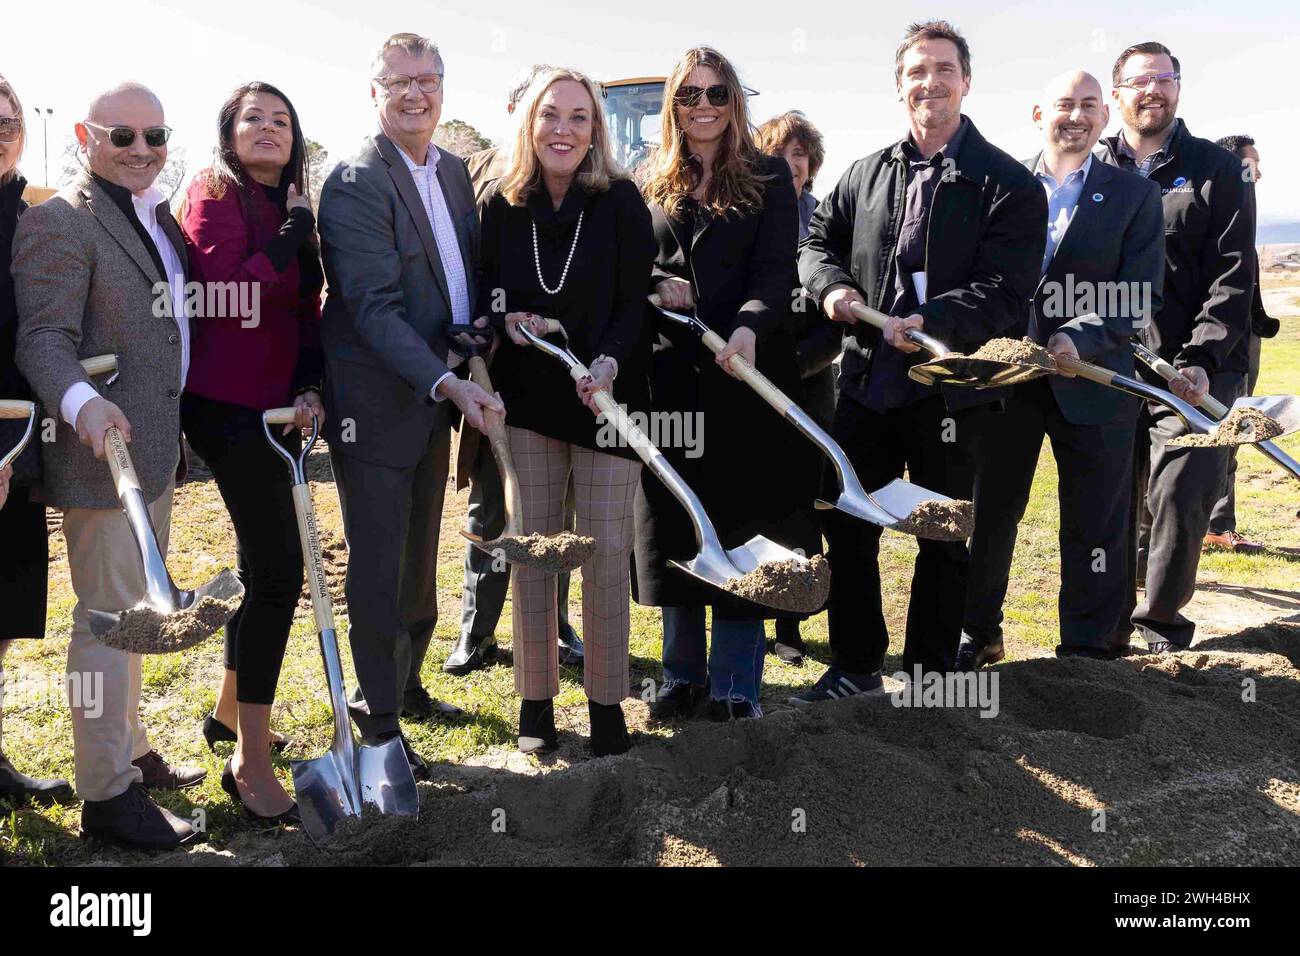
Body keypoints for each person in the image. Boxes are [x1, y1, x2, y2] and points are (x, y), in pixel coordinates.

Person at [796, 20, 1046, 702]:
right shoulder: (866, 172)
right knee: (846, 520)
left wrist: (931, 323)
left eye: (943, 69)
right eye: (916, 71)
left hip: (951, 390)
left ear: (966, 81)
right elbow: (817, 241)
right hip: (868, 384)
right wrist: (833, 287)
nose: (929, 82)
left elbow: (1007, 289)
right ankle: (854, 663)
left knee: (942, 534)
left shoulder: (1008, 184)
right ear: (899, 85)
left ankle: (932, 675)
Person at [13, 82, 205, 849]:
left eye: (154, 137)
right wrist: (81, 404)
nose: (141, 151)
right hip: (102, 453)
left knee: (140, 614)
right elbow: (44, 337)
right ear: (87, 139)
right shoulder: (59, 222)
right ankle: (104, 793)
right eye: (121, 136)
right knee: (105, 627)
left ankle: (129, 749)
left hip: (154, 448)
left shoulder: (158, 218)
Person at [317, 33, 501, 778]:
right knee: (380, 561)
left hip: (437, 392)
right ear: (374, 92)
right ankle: (380, 719)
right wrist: (447, 379)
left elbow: (464, 269)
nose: (415, 94)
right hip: (381, 397)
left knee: (421, 551)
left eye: (427, 79)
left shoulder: (453, 170)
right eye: (399, 82)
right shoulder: (356, 180)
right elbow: (373, 307)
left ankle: (408, 684)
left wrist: (483, 331)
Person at [957, 70, 1164, 668]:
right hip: (1006, 381)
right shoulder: (999, 185)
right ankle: (978, 633)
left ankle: (1089, 644)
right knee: (990, 510)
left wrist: (1079, 336)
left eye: (1088, 106)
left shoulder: (1135, 196)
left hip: (1093, 381)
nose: (1075, 115)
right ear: (1037, 113)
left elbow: (1137, 293)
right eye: (1063, 105)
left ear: (1105, 117)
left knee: (1096, 518)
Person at [638, 46, 822, 722]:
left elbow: (776, 272)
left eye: (717, 93)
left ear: (734, 101)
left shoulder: (769, 176)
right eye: (691, 95)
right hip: (673, 383)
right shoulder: (650, 179)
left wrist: (746, 328)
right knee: (682, 526)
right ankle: (681, 675)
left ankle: (736, 685)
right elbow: (635, 268)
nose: (704, 106)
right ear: (674, 105)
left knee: (746, 530)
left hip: (745, 377)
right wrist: (659, 285)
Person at [480, 68, 654, 754]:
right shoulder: (502, 203)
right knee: (538, 552)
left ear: (596, 130)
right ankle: (535, 704)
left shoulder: (620, 202)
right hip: (530, 401)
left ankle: (608, 705)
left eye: (579, 117)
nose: (564, 129)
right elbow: (486, 294)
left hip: (608, 398)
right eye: (551, 114)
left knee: (607, 553)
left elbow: (635, 302)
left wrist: (607, 363)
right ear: (529, 122)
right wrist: (509, 318)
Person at [179, 81, 325, 822]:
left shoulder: (293, 206)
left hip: (277, 407)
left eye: (281, 120)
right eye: (252, 119)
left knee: (258, 563)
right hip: (226, 407)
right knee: (277, 573)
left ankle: (228, 717)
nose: (268, 129)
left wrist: (309, 386)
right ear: (228, 131)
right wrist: (296, 230)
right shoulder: (215, 192)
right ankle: (250, 762)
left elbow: (304, 311)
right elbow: (228, 292)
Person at [1098, 41, 1256, 653]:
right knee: (1108, 497)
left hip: (1196, 368)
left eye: (1164, 79)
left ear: (1179, 90)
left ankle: (1160, 622)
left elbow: (1234, 274)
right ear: (1117, 95)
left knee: (1183, 489)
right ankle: (1102, 628)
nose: (1152, 91)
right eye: (1138, 81)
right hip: (1109, 362)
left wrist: (1202, 359)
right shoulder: (1096, 169)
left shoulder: (1217, 168)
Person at [450, 62, 585, 676]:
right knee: (490, 506)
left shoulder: (581, 183)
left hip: (559, 372)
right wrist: (483, 337)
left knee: (554, 512)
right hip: (490, 374)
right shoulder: (484, 180)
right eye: (537, 112)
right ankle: (474, 634)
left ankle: (555, 627)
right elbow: (468, 276)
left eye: (566, 115)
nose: (552, 127)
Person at [0, 73, 73, 806]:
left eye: (7, 120)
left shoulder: (39, 215)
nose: (0, 132)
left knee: (4, 607)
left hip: (17, 446)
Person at [755, 109, 838, 666]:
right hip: (748, 385)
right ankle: (745, 611)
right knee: (754, 502)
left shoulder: (825, 224)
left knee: (801, 510)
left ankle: (791, 626)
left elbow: (836, 321)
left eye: (801, 154)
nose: (793, 163)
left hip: (806, 390)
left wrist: (792, 369)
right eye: (781, 153)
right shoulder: (752, 218)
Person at [1204, 133, 1276, 554]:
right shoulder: (1214, 212)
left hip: (1244, 343)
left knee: (1234, 432)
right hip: (1215, 347)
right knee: (1218, 430)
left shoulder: (1242, 211)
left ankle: (1218, 523)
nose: (1258, 172)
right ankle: (1211, 525)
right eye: (1251, 164)